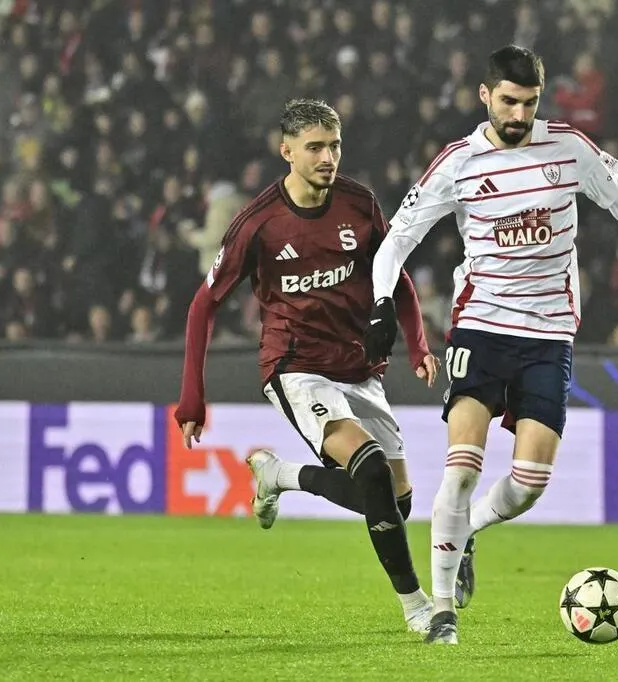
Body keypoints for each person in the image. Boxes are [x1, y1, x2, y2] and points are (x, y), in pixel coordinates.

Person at [364, 46, 618, 644]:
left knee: (527, 483)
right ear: (484, 95)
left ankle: (466, 531)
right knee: (462, 467)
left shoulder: (570, 149)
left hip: (550, 333)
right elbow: (396, 239)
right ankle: (441, 610)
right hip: (480, 326)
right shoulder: (458, 163)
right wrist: (378, 304)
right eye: (508, 101)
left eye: (528, 103)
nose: (519, 114)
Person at [175, 98, 440, 632]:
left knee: (397, 502)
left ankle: (280, 475)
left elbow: (396, 275)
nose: (327, 157)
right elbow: (204, 304)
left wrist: (417, 344)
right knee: (366, 467)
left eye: (334, 146)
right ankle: (417, 606)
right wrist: (191, 397)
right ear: (287, 151)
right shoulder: (258, 223)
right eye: (315, 147)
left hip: (359, 366)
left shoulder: (359, 203)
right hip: (295, 366)